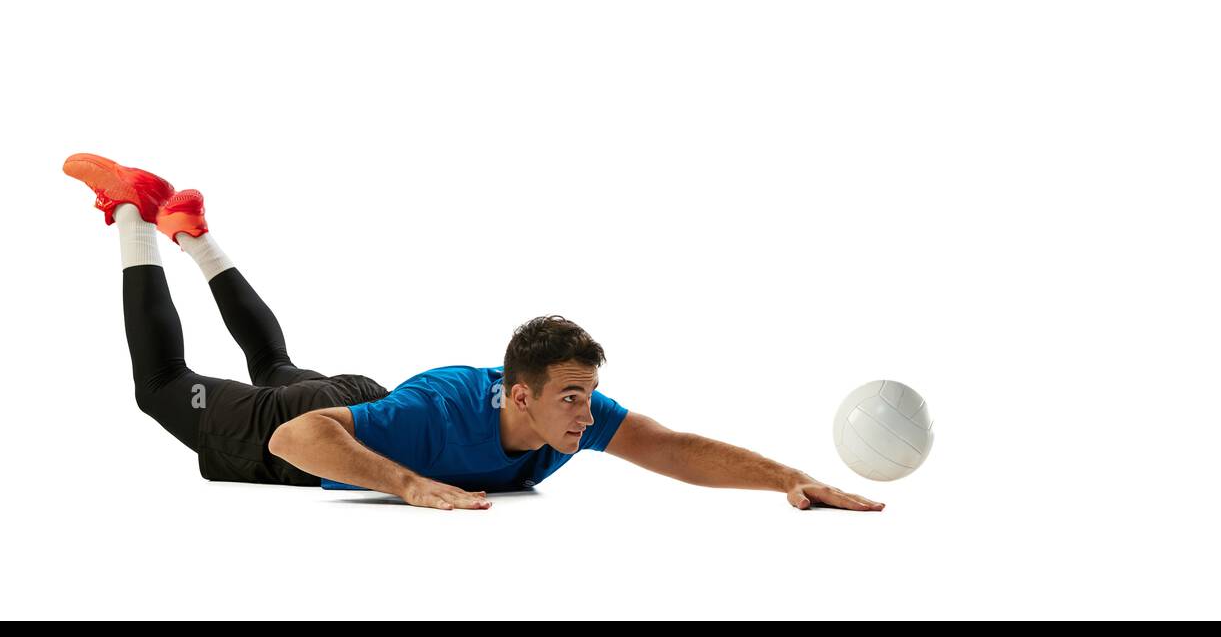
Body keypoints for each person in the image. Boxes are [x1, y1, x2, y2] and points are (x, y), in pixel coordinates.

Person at [63, 152, 885, 513]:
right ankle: (136, 212)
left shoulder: (565, 410)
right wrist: (409, 485)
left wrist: (790, 478)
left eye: (589, 395)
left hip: (362, 402)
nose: (586, 413)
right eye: (572, 397)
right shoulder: (440, 422)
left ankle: (193, 227)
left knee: (275, 358)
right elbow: (298, 441)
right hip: (308, 432)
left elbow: (671, 446)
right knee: (161, 389)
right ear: (521, 393)